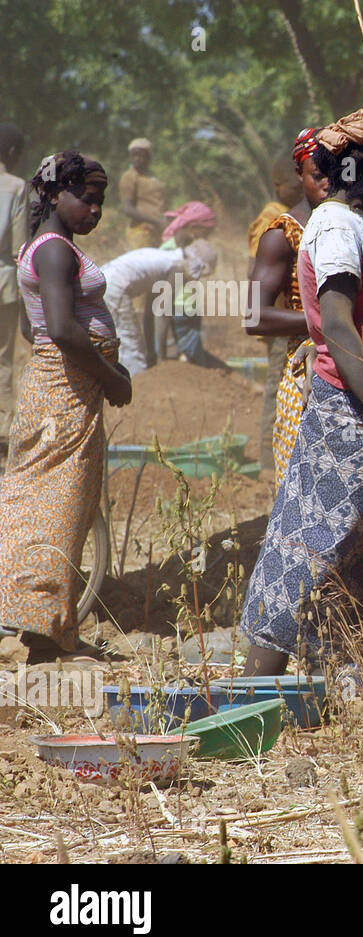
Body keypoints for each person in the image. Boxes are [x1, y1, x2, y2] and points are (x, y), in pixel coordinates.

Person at [237, 109, 363, 691]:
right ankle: (256, 693)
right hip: (351, 412)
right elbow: (337, 329)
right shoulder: (337, 226)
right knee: (309, 544)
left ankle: (358, 691)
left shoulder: (354, 226)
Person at [0, 152, 130, 662]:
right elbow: (58, 328)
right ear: (55, 195)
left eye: (101, 202)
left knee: (58, 507)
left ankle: (45, 629)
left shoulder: (50, 247)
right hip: (66, 391)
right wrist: (111, 376)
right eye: (87, 199)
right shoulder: (54, 251)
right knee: (58, 507)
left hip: (65, 386)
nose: (95, 211)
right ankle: (43, 635)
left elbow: (38, 326)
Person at [243, 130, 329, 481]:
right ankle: (267, 461)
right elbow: (254, 311)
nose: (327, 182)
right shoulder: (281, 230)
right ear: (298, 174)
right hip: (298, 338)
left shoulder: (350, 224)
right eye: (317, 174)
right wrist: (327, 323)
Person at [100, 238, 217, 374]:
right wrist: (161, 357)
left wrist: (152, 353)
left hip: (108, 280)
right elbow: (162, 314)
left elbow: (150, 313)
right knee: (131, 346)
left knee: (126, 340)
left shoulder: (165, 260)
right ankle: (137, 386)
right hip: (115, 287)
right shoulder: (177, 268)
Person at [155, 201, 226, 369]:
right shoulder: (172, 250)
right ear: (195, 229)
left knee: (185, 341)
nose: (206, 238)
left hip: (185, 304)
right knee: (190, 347)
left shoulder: (175, 246)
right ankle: (196, 371)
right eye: (206, 233)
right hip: (182, 305)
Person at [0, 123, 25, 448]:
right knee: (3, 360)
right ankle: (4, 430)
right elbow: (20, 250)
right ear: (13, 153)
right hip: (3, 284)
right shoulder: (16, 187)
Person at [119, 138, 167, 249]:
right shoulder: (130, 176)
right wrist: (157, 221)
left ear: (149, 157)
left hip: (157, 231)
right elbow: (128, 209)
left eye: (141, 155)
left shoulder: (152, 176)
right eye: (134, 155)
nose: (137, 159)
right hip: (140, 231)